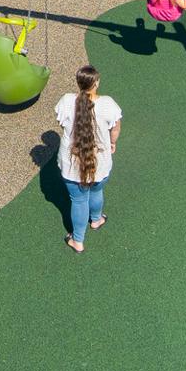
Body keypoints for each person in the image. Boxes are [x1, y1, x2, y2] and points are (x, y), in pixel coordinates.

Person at [54, 65, 122, 253]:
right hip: (100, 163)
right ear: (96, 83)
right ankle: (97, 219)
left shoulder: (67, 101)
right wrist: (112, 143)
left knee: (79, 200)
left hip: (72, 165)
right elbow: (115, 129)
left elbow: (62, 123)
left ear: (78, 83)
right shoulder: (108, 104)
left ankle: (78, 240)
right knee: (96, 190)